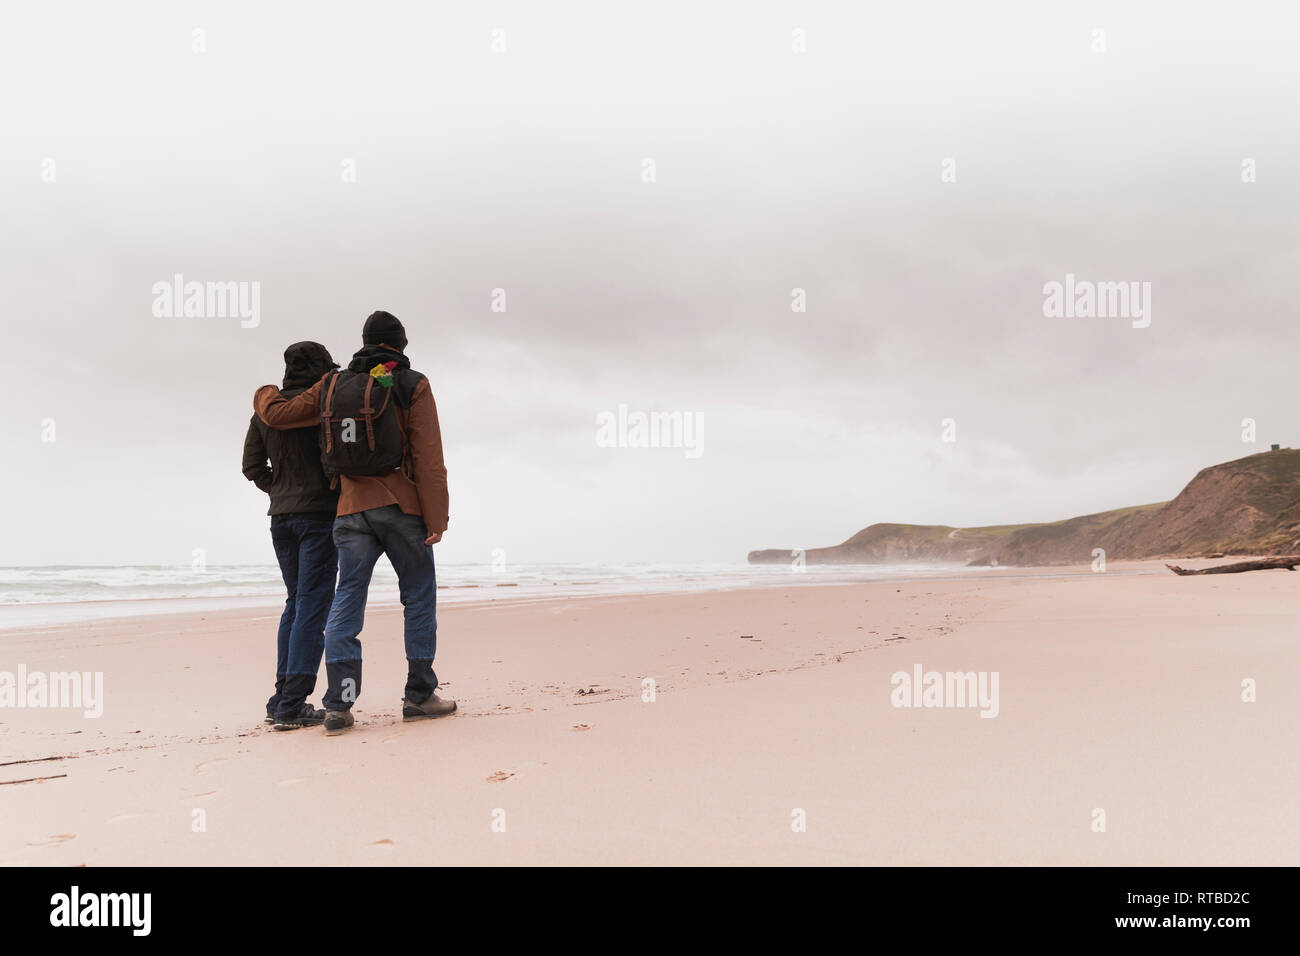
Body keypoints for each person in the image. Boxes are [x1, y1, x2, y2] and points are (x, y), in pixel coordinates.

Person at [253, 311, 453, 735]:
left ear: (364, 341)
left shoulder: (332, 386)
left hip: (349, 510)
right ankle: (419, 695)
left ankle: (339, 704)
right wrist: (438, 518)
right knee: (417, 598)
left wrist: (264, 393)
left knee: (346, 602)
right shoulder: (412, 382)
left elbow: (280, 415)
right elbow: (428, 456)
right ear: (399, 344)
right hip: (403, 508)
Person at [242, 341, 340, 730]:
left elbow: (251, 465)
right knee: (312, 607)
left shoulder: (265, 413)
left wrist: (279, 488)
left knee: (296, 603)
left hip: (281, 517)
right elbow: (336, 459)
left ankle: (281, 696)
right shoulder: (320, 409)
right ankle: (292, 703)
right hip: (318, 515)